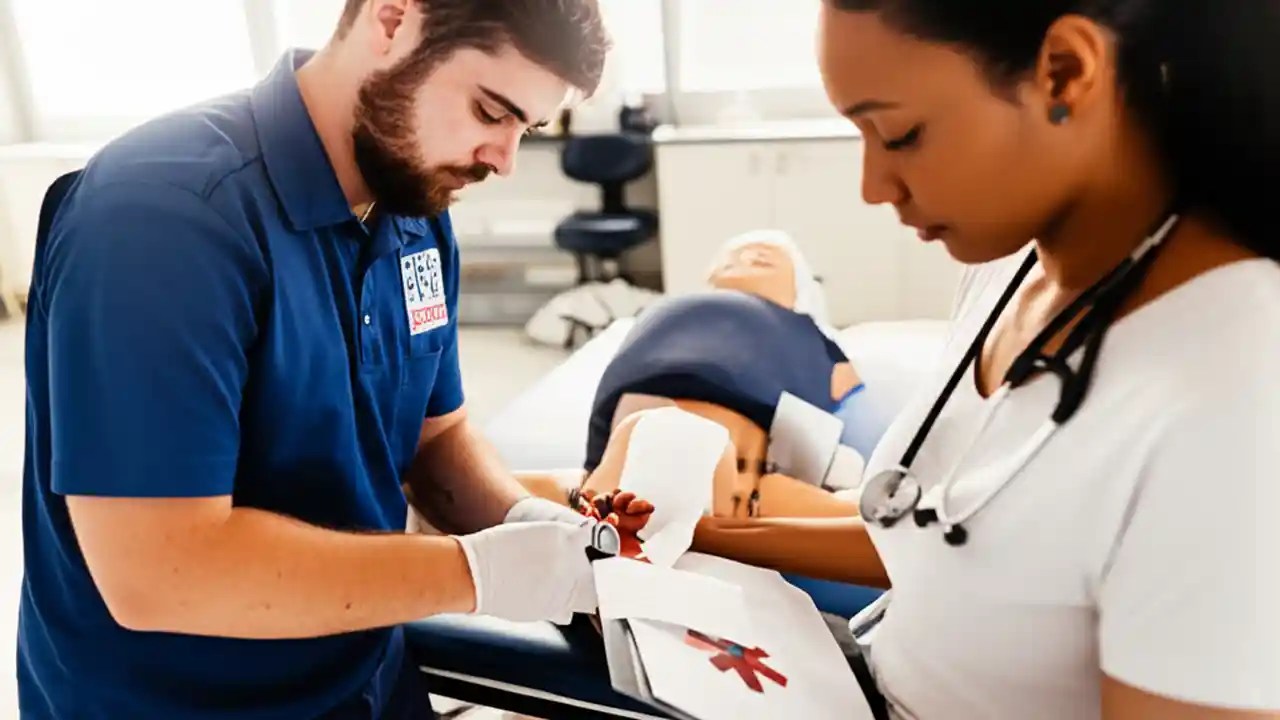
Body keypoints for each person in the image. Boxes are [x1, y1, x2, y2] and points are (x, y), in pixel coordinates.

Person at [17, 2, 616, 718]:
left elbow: (438, 439)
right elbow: (161, 572)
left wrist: (525, 520)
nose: (505, 161)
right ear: (392, 20)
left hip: (366, 675)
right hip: (184, 703)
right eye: (491, 112)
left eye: (528, 129)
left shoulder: (414, 211)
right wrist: (476, 573)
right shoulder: (158, 218)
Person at [690, 2, 1280, 719]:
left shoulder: (1232, 399)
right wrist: (702, 532)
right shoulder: (1008, 269)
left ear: (1064, 72)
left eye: (900, 135)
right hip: (857, 677)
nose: (874, 187)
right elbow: (944, 539)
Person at [516, 230, 866, 521]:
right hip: (638, 435)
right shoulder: (665, 309)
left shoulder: (808, 333)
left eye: (773, 257)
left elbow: (839, 386)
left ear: (802, 293)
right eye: (736, 255)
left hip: (738, 468)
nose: (753, 253)